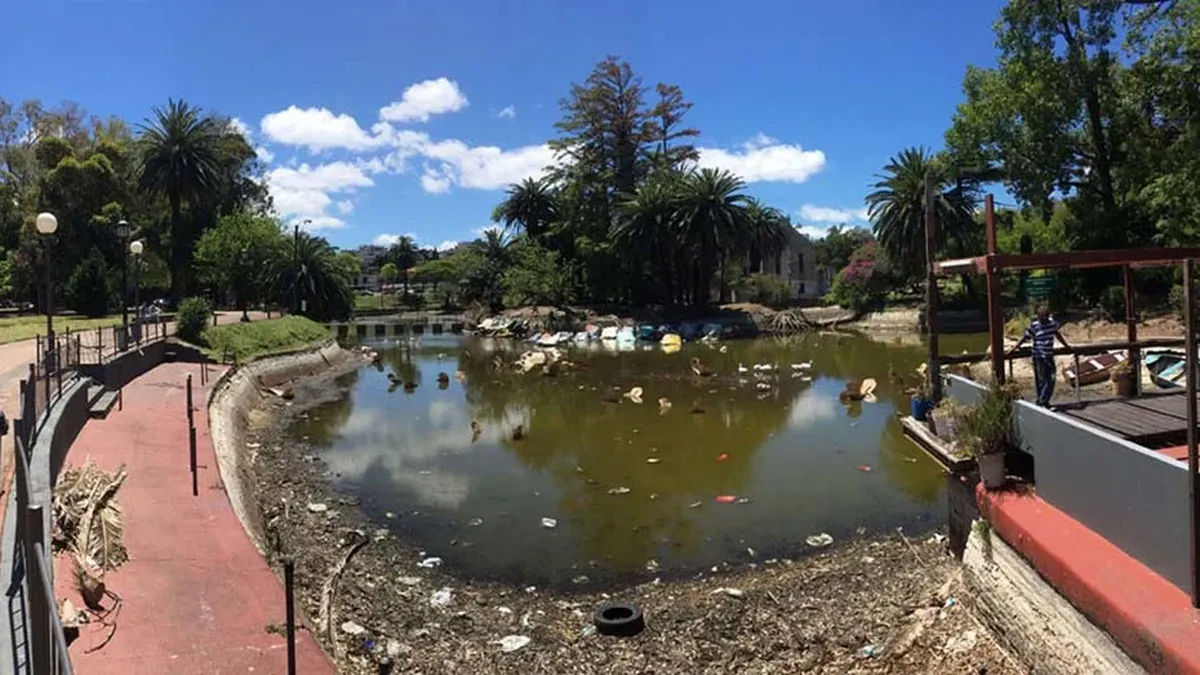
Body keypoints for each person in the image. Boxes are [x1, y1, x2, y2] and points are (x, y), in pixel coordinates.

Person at [1009, 305, 1071, 408]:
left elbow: (1058, 334)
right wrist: (1014, 348)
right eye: (1042, 317)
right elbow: (1025, 337)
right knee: (1040, 379)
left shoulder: (1052, 324)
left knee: (1051, 378)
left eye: (1045, 317)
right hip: (1038, 356)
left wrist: (1067, 346)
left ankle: (1042, 400)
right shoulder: (1035, 325)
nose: (1043, 320)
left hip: (1048, 355)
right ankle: (1042, 401)